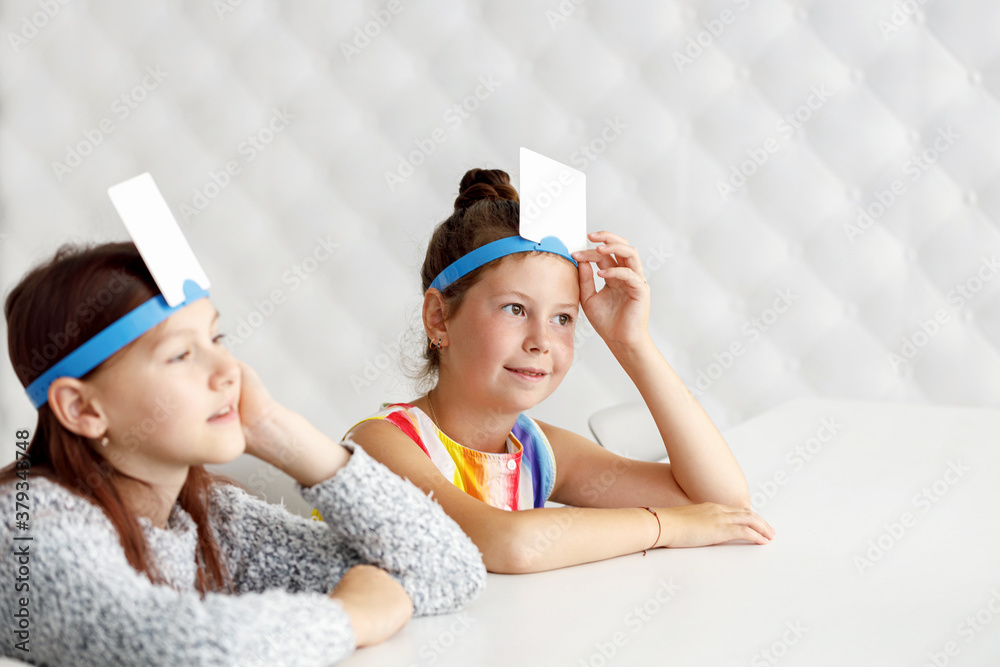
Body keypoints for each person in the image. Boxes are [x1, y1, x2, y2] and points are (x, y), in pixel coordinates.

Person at [0, 242, 486, 666]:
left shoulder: (207, 518)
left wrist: (278, 431)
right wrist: (352, 616)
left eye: (215, 339)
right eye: (180, 355)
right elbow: (182, 650)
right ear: (82, 408)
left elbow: (448, 569)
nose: (228, 371)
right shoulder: (28, 530)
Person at [346, 167, 776, 574]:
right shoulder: (382, 445)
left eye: (563, 318)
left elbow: (722, 502)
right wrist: (671, 528)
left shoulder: (536, 449)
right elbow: (509, 543)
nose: (541, 341)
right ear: (439, 318)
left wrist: (632, 344)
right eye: (515, 309)